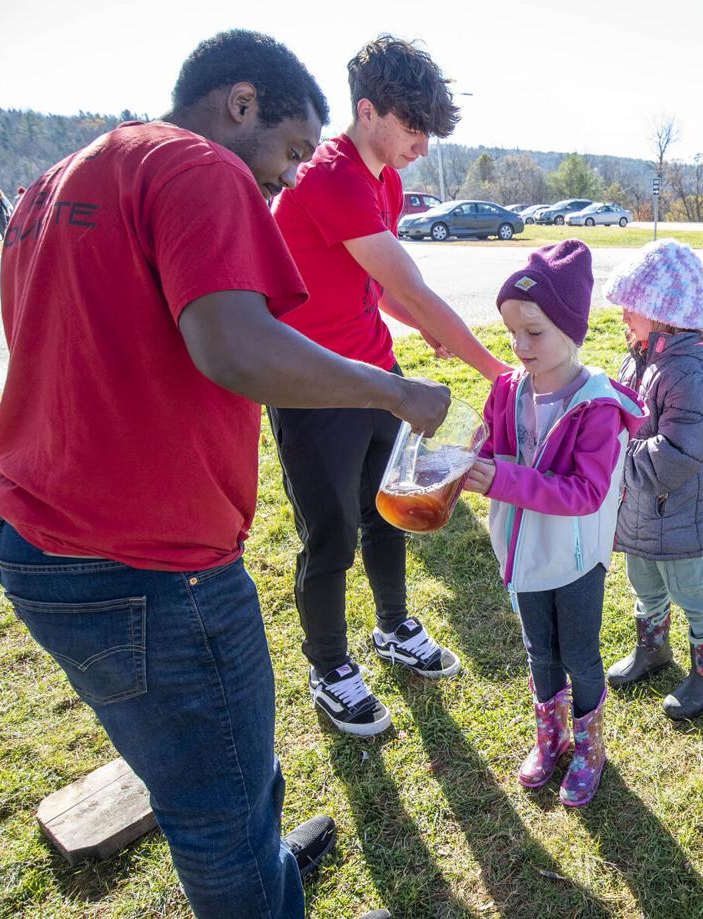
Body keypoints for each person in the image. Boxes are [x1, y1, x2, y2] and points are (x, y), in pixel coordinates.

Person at [0, 29, 430, 919]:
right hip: (152, 563)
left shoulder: (52, 185)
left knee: (198, 761)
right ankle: (253, 877)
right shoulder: (199, 165)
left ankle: (262, 859)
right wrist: (391, 389)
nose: (290, 178)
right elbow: (236, 346)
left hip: (37, 537)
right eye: (292, 150)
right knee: (218, 806)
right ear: (240, 104)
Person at [271, 35, 511, 736]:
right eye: (413, 127)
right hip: (312, 383)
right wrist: (497, 372)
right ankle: (328, 666)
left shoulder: (387, 182)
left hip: (377, 373)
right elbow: (411, 286)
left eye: (428, 131)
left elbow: (378, 289)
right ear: (368, 110)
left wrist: (419, 327)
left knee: (391, 507)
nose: (422, 146)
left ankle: (393, 626)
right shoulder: (329, 176)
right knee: (331, 534)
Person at [463, 239, 644, 806]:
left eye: (534, 332)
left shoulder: (597, 407)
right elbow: (491, 447)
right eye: (511, 333)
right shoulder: (507, 391)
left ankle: (590, 747)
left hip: (574, 559)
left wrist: (500, 480)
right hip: (522, 554)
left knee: (580, 656)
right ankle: (552, 737)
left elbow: (586, 492)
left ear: (572, 329)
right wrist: (464, 461)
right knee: (540, 652)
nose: (519, 346)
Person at [602, 240, 703, 719]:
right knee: (644, 584)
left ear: (663, 313)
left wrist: (611, 454)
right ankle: (653, 650)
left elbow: (675, 456)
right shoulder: (640, 356)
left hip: (681, 516)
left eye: (631, 306)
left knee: (693, 594)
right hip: (640, 508)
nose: (623, 315)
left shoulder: (689, 373)